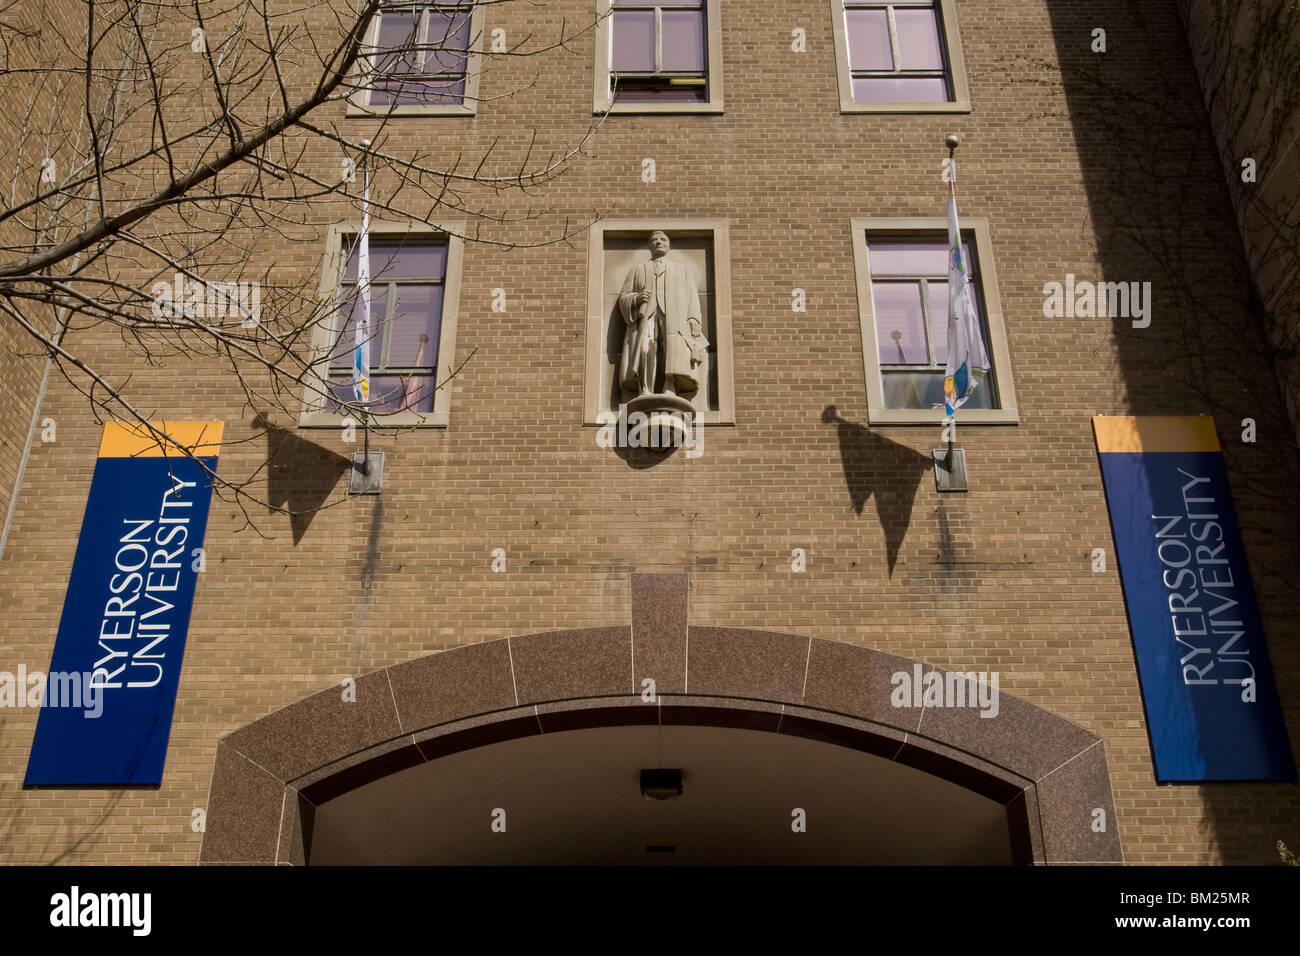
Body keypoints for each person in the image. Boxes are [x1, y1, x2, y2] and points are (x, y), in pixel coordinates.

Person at [617, 231, 705, 397]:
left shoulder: (682, 270)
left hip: (675, 317)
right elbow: (623, 297)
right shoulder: (637, 269)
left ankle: (670, 386)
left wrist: (693, 319)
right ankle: (645, 388)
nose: (658, 242)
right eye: (654, 240)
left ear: (668, 245)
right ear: (649, 245)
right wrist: (636, 298)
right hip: (647, 317)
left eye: (663, 239)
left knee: (672, 349)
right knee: (645, 348)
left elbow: (692, 296)